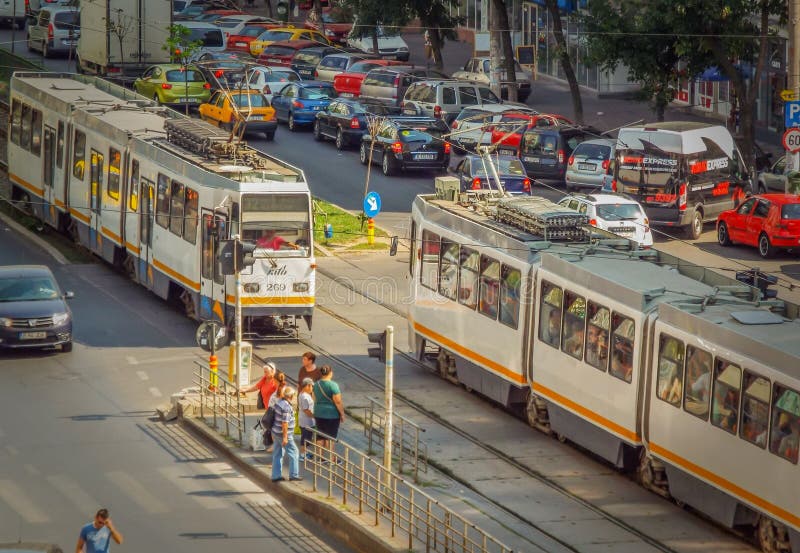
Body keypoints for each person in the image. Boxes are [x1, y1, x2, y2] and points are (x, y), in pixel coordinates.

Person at [313, 365, 345, 458]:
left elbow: (314, 398)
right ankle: (332, 458)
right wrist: (342, 414)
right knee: (330, 437)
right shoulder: (333, 385)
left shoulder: (316, 384)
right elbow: (338, 401)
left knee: (320, 436)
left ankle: (319, 457)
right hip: (332, 415)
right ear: (330, 373)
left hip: (319, 413)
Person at [271, 386, 302, 482]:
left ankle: (276, 475)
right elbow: (285, 423)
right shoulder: (287, 407)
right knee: (294, 452)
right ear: (291, 396)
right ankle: (294, 475)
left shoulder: (278, 403)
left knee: (277, 454)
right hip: (283, 434)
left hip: (276, 432)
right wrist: (285, 437)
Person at [298, 377, 315, 460]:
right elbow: (306, 410)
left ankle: (305, 452)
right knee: (305, 439)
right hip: (306, 422)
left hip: (306, 421)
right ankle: (302, 455)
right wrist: (315, 416)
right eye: (312, 386)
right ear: (308, 386)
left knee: (307, 438)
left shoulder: (304, 394)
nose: (312, 388)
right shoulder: (304, 396)